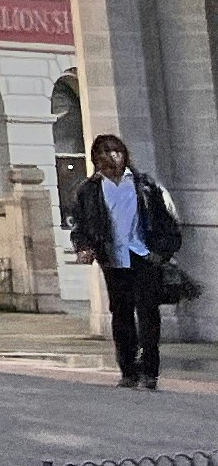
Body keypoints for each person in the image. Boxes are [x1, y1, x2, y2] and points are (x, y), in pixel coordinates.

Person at [67, 132, 185, 389]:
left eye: (116, 151)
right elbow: (81, 226)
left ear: (124, 154)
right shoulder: (89, 191)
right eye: (104, 152)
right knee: (121, 315)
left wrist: (162, 252)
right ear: (95, 158)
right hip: (113, 259)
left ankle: (150, 370)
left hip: (144, 257)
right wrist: (84, 247)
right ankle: (128, 370)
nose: (111, 156)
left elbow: (168, 221)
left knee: (148, 315)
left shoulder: (144, 185)